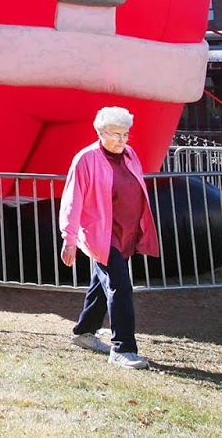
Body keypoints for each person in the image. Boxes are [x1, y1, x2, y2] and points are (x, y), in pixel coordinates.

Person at [59, 106, 160, 369]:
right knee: (120, 285)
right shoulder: (86, 159)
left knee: (100, 286)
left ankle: (83, 333)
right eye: (116, 134)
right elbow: (72, 199)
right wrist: (69, 238)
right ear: (100, 132)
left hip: (125, 232)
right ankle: (123, 348)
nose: (122, 140)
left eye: (126, 134)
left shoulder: (130, 155)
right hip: (101, 236)